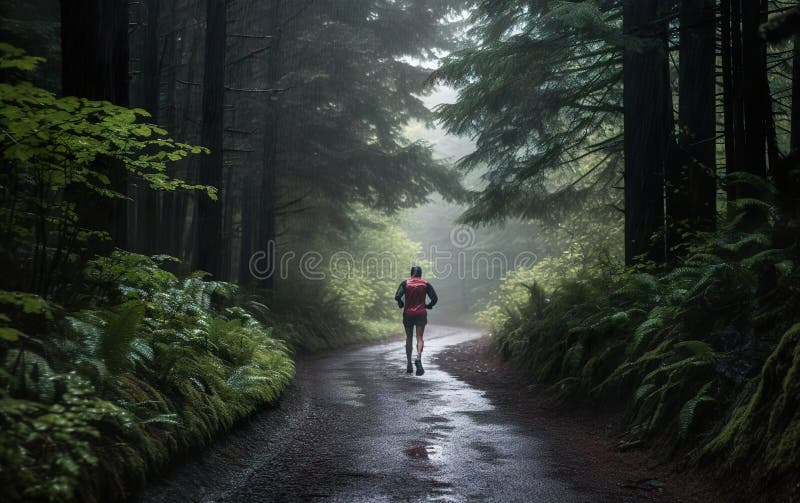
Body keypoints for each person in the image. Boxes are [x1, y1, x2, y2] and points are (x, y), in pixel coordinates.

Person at [394, 265, 438, 375]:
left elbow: (397, 296)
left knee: (409, 337)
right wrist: (429, 305)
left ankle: (409, 364)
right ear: (420, 274)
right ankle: (418, 358)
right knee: (419, 337)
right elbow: (435, 298)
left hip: (408, 314)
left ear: (411, 273)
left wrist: (401, 303)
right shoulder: (425, 284)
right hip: (421, 313)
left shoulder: (405, 283)